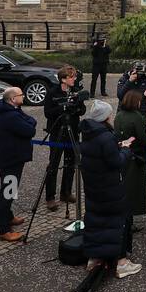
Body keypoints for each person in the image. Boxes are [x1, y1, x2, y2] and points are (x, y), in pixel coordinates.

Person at [78, 100, 141, 279]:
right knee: (117, 221)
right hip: (109, 186)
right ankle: (121, 263)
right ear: (105, 117)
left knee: (96, 219)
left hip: (93, 185)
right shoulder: (106, 136)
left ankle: (95, 256)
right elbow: (117, 163)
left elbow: (101, 155)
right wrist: (126, 150)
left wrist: (117, 147)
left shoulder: (89, 133)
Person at [0, 86, 35, 243]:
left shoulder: (13, 110)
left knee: (10, 189)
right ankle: (3, 229)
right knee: (7, 193)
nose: (23, 96)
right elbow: (30, 129)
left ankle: (9, 217)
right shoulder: (11, 116)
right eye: (20, 95)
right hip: (11, 160)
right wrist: (30, 122)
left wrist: (29, 121)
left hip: (11, 158)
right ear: (12, 99)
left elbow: (29, 120)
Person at [41, 65, 87, 211]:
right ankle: (50, 197)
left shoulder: (75, 91)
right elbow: (48, 113)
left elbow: (82, 110)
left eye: (74, 76)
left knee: (71, 163)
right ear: (63, 79)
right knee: (53, 164)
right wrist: (64, 107)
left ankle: (66, 192)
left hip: (72, 131)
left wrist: (77, 105)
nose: (74, 79)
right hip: (57, 132)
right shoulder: (52, 92)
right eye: (71, 77)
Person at [115, 90, 146, 227]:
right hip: (136, 156)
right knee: (133, 190)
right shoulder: (137, 117)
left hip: (122, 154)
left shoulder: (119, 115)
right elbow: (144, 139)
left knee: (124, 187)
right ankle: (128, 222)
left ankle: (125, 220)